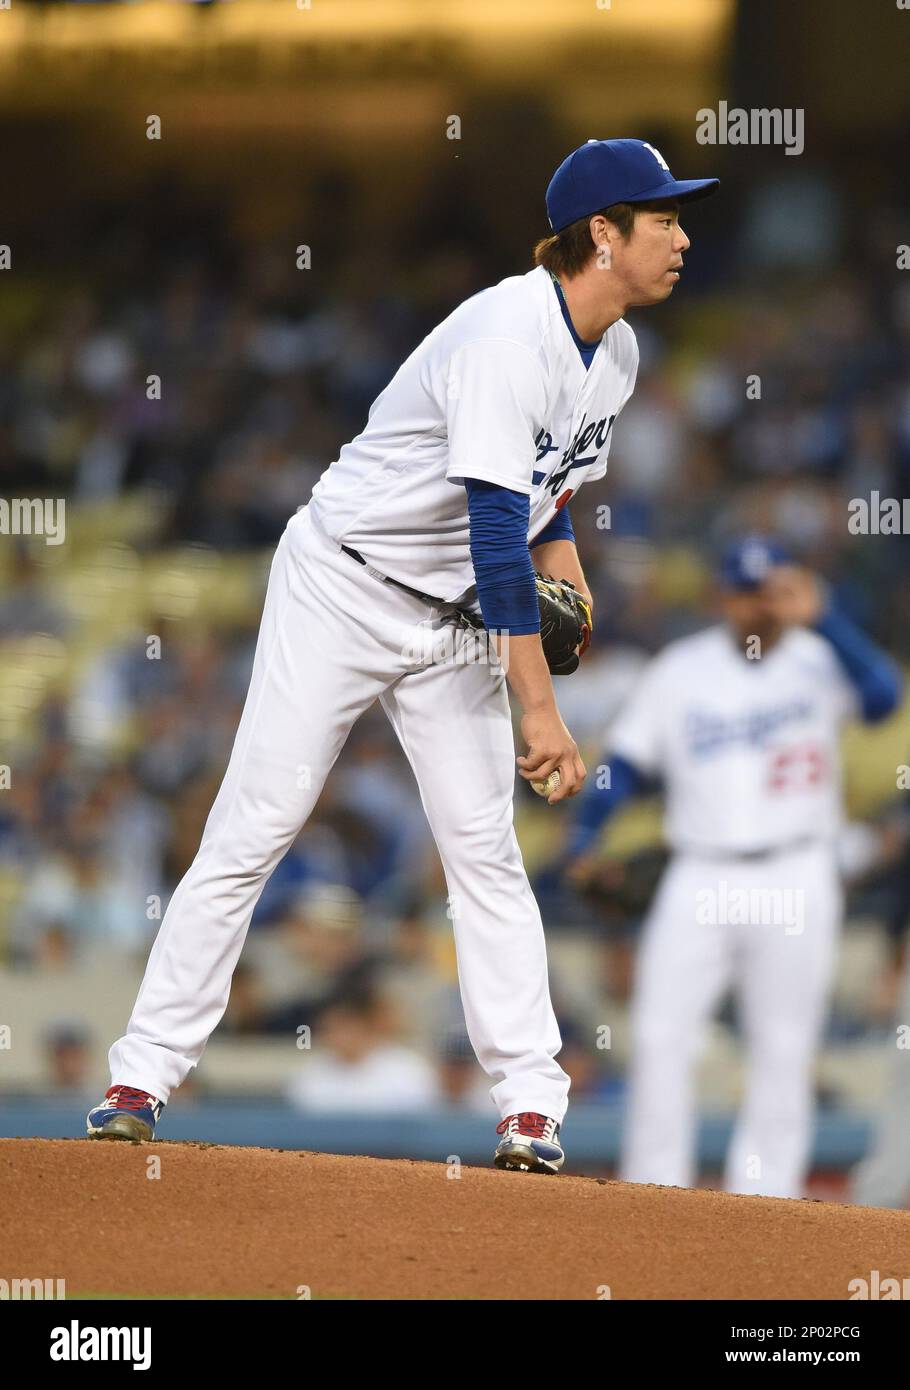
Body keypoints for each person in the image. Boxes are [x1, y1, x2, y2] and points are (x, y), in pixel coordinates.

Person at [87, 138, 718, 1175]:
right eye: (664, 221)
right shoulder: (508, 335)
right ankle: (140, 1076)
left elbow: (546, 505)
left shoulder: (619, 353)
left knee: (482, 851)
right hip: (343, 583)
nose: (683, 239)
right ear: (602, 235)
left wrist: (579, 580)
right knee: (256, 824)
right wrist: (538, 709)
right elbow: (491, 533)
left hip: (454, 620)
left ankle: (527, 1106)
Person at [562, 537, 902, 1196]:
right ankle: (653, 1188)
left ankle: (767, 1197)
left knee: (784, 1043)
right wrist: (585, 834)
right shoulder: (681, 669)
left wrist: (826, 619)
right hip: (701, 870)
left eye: (769, 589)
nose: (758, 605)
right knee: (661, 1031)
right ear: (722, 596)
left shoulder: (819, 656)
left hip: (797, 868)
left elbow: (884, 698)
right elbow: (626, 762)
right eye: (745, 592)